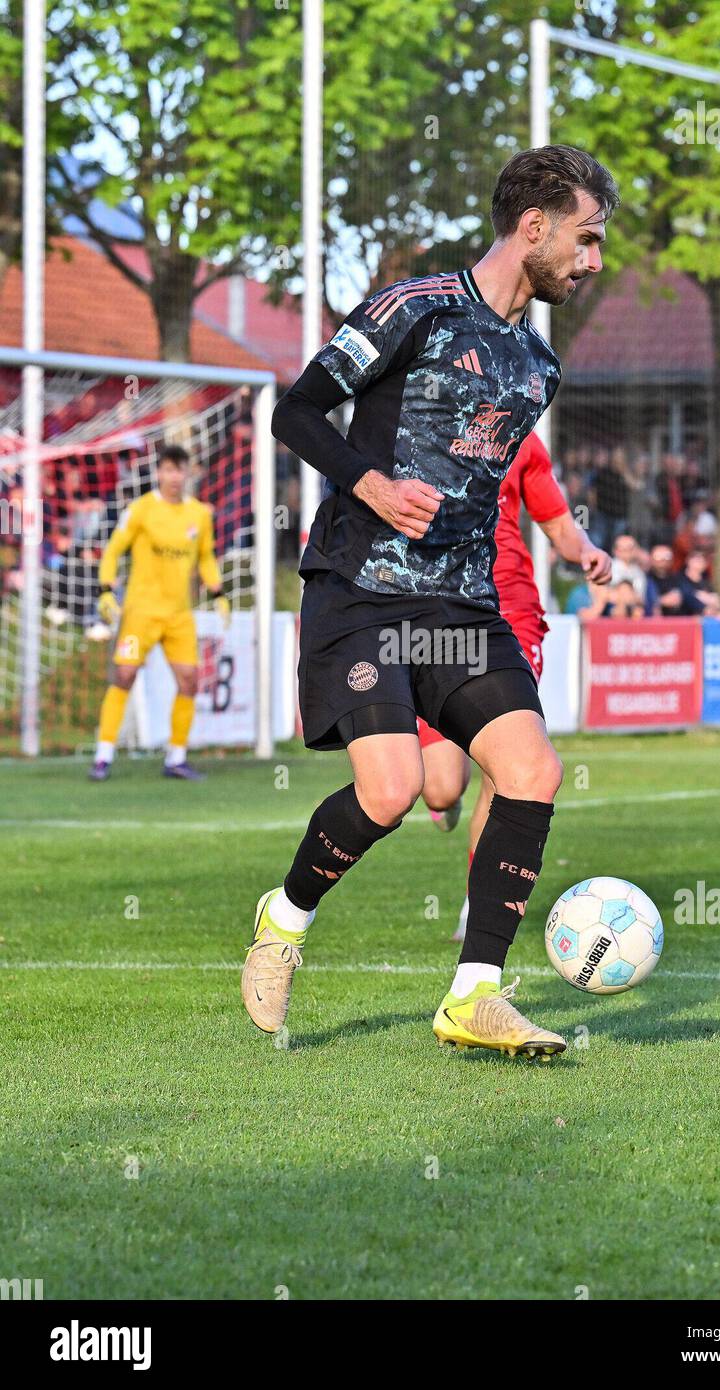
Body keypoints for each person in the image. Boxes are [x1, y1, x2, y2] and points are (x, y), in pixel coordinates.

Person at [246, 144, 618, 1059]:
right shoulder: (411, 309)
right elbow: (294, 412)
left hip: (461, 607)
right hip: (359, 592)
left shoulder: (539, 365)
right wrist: (369, 483)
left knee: (531, 771)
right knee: (393, 790)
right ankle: (285, 917)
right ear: (533, 228)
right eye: (587, 238)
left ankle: (474, 995)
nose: (594, 260)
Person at [414, 430, 612, 941]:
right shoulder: (420, 418)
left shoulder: (521, 435)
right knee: (439, 787)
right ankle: (444, 802)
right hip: (436, 610)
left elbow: (559, 524)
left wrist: (586, 549)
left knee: (508, 769)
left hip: (511, 611)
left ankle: (475, 904)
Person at [89, 444, 230, 781]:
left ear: (188, 474)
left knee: (189, 681)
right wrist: (106, 590)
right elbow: (112, 552)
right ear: (159, 473)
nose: (174, 477)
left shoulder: (198, 514)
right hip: (140, 613)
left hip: (179, 616)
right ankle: (103, 755)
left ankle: (176, 758)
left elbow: (206, 558)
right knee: (124, 676)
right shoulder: (140, 510)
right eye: (167, 470)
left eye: (179, 470)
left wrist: (218, 593)